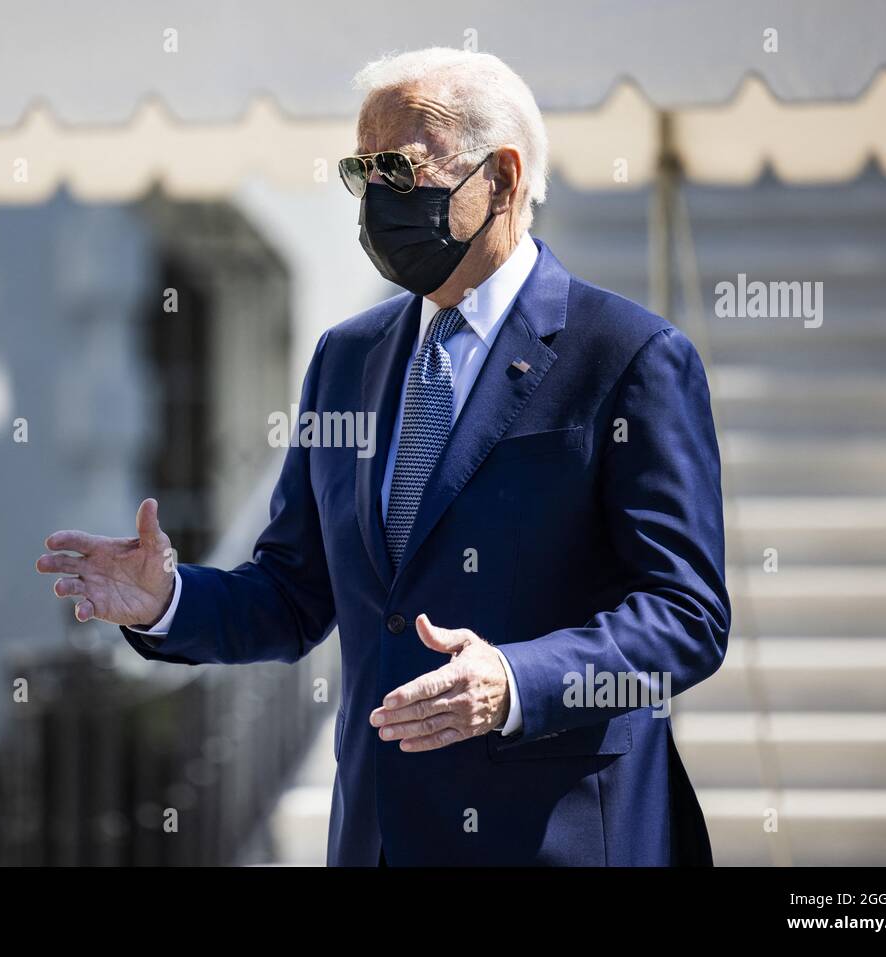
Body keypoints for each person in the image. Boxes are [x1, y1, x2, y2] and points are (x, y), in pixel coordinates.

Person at [36, 47, 730, 866]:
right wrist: (168, 601)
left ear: (501, 178)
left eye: (398, 172)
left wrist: (515, 680)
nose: (376, 203)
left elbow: (688, 615)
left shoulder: (628, 355)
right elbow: (296, 593)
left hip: (557, 837)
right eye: (360, 175)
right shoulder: (345, 358)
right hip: (379, 837)